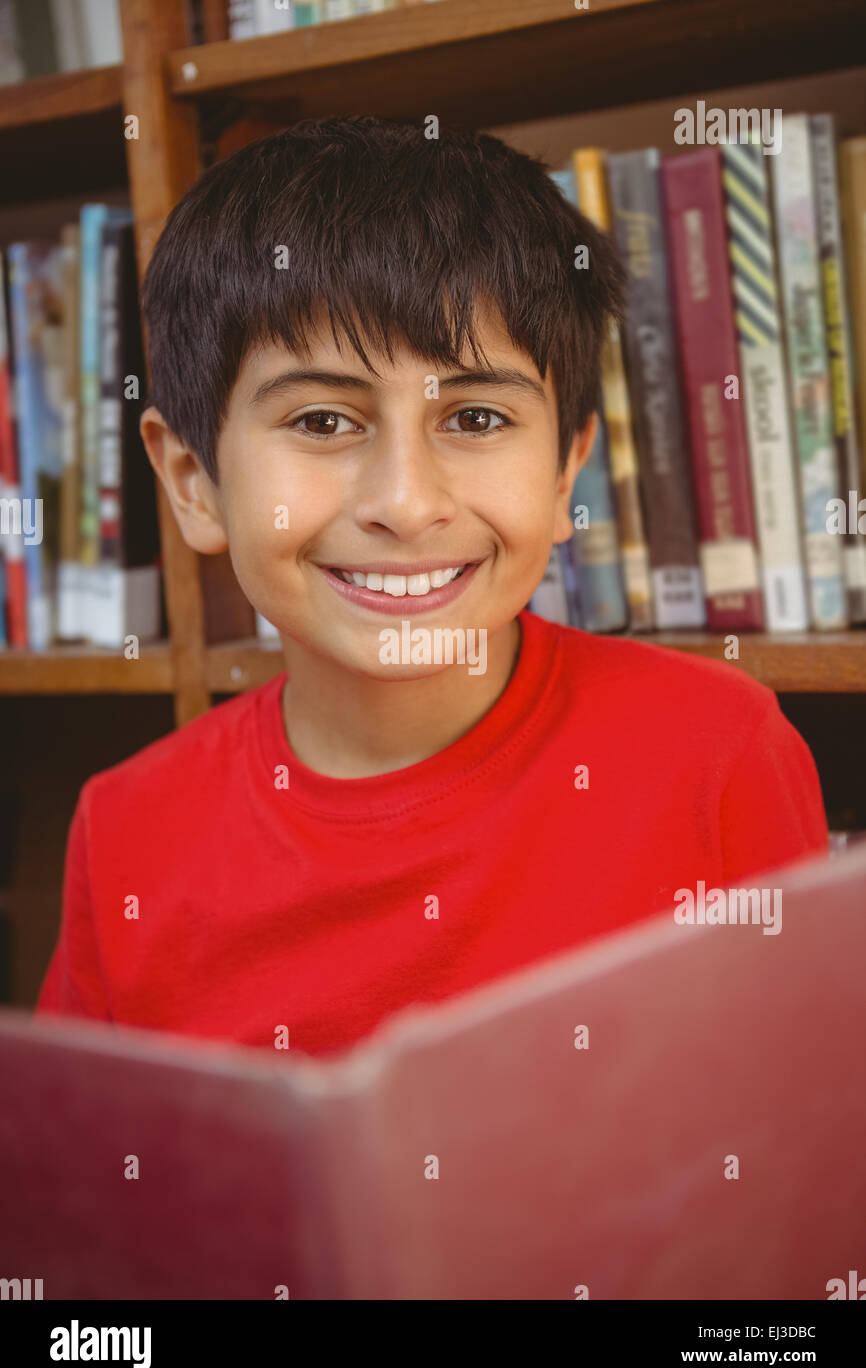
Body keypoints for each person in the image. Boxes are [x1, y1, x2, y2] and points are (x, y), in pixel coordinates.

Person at [36, 117, 828, 1056]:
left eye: (478, 416)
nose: (406, 505)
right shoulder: (125, 829)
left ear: (567, 470)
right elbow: (82, 1183)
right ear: (192, 483)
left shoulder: (718, 755)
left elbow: (808, 1144)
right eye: (324, 420)